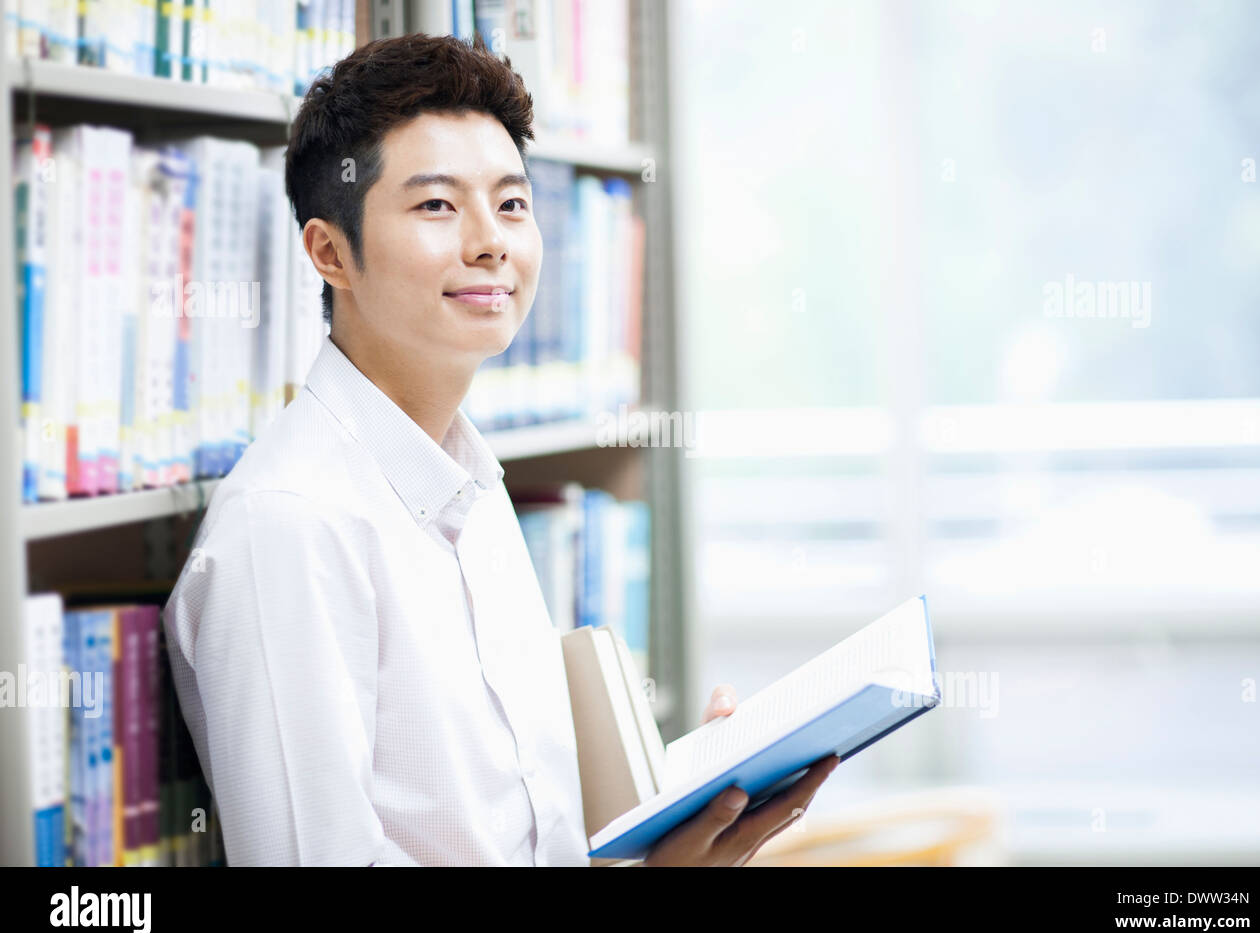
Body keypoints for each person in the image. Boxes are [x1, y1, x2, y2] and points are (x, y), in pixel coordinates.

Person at [162, 32, 838, 867]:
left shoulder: (472, 488)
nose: (492, 243)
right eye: (437, 206)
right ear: (330, 252)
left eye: (512, 204)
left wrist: (678, 822)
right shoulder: (291, 529)